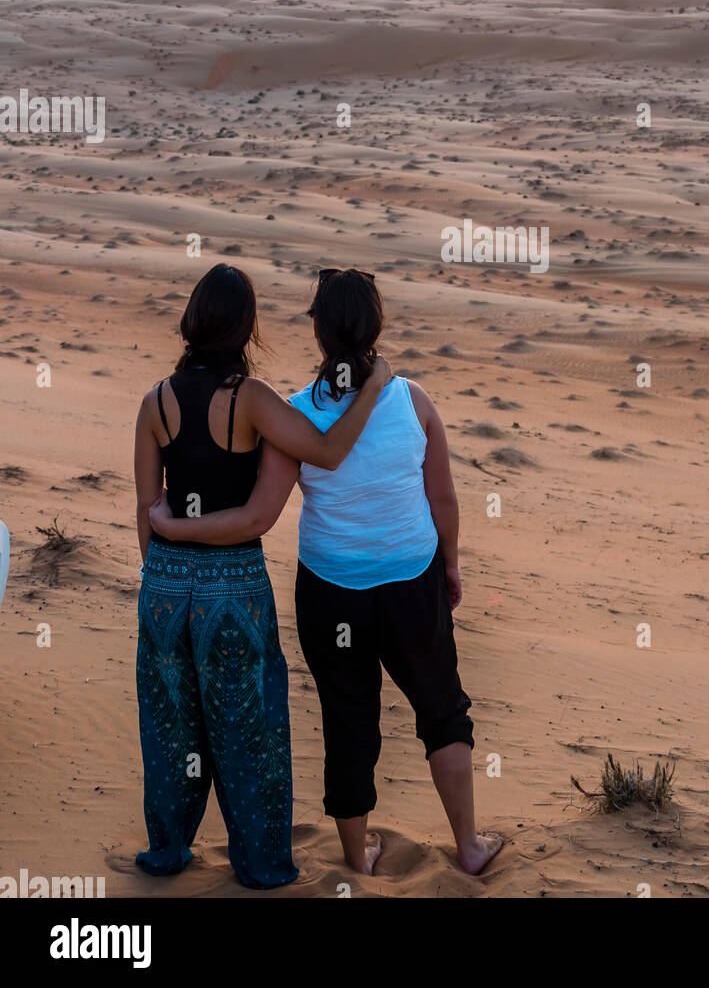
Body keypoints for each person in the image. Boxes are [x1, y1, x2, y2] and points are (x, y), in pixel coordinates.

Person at [151, 267, 502, 876]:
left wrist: (174, 527)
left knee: (348, 718)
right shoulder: (413, 401)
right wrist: (450, 564)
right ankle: (469, 845)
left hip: (330, 592)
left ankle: (353, 856)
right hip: (411, 581)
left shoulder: (293, 415)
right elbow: (443, 499)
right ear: (376, 328)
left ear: (316, 329)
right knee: (442, 710)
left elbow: (264, 509)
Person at [133, 263, 391, 889]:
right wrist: (375, 389)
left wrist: (169, 562)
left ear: (192, 323)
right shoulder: (250, 401)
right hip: (232, 587)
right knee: (250, 731)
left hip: (165, 587)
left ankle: (167, 851)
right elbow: (324, 453)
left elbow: (148, 513)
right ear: (246, 329)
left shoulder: (154, 403)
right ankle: (261, 865)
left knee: (171, 728)